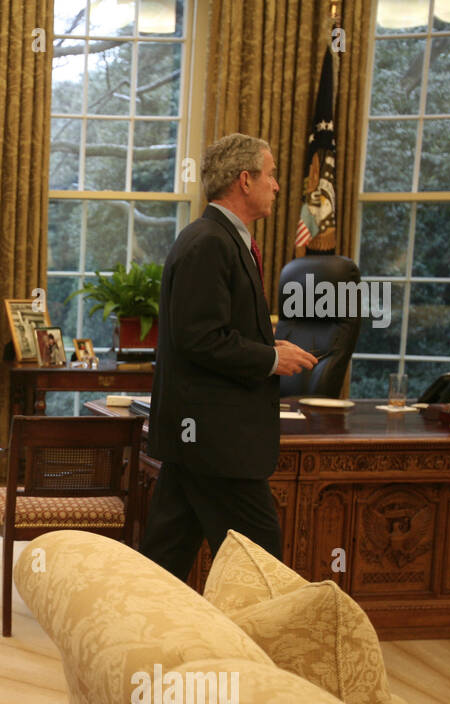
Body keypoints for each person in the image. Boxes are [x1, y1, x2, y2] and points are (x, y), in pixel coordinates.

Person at [140, 133, 316, 581]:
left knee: (163, 563)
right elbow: (199, 339)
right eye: (270, 174)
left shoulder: (221, 238)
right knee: (262, 570)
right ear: (244, 180)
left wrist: (269, 348)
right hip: (217, 443)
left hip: (200, 438)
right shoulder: (210, 242)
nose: (277, 185)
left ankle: (135, 627)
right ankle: (261, 637)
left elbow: (215, 331)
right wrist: (271, 361)